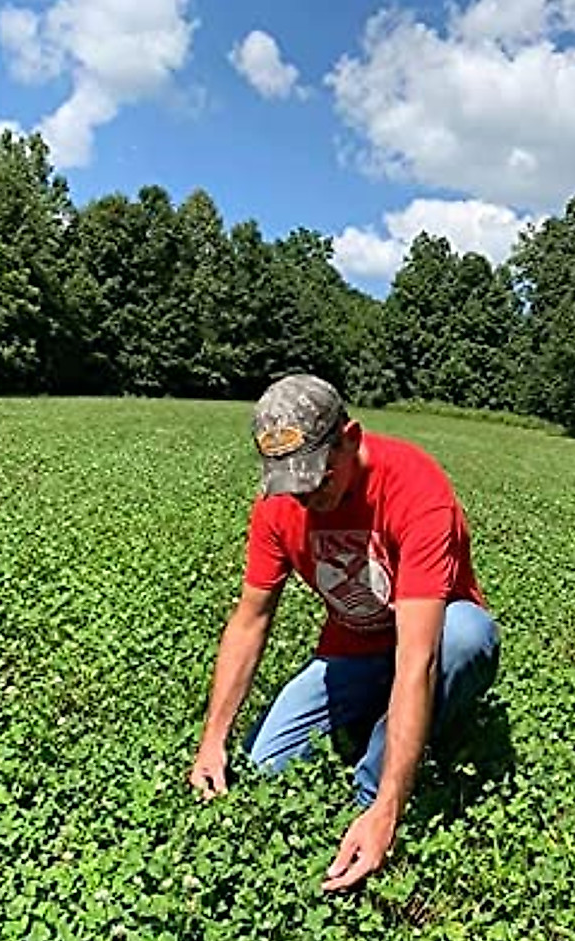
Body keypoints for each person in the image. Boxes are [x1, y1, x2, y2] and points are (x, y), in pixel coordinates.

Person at [189, 374, 500, 892]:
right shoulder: (278, 505)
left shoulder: (417, 490)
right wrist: (212, 740)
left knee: (466, 635)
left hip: (429, 641)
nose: (306, 496)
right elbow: (250, 621)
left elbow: (417, 658)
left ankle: (374, 787)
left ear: (351, 438)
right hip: (353, 648)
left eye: (317, 478)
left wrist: (386, 807)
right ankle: (381, 715)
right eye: (292, 484)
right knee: (264, 764)